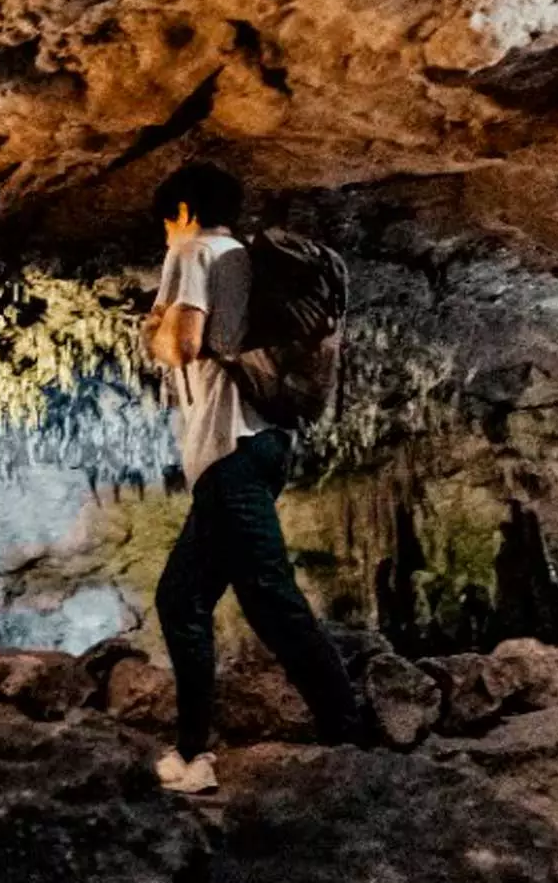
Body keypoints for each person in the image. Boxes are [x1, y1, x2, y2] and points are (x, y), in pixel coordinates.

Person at [145, 164, 361, 795]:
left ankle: (350, 734)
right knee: (183, 599)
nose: (165, 235)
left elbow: (181, 346)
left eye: (166, 223)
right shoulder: (241, 257)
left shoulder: (194, 252)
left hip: (229, 450)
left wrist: (155, 320)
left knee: (271, 600)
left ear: (183, 212)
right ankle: (192, 754)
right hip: (260, 446)